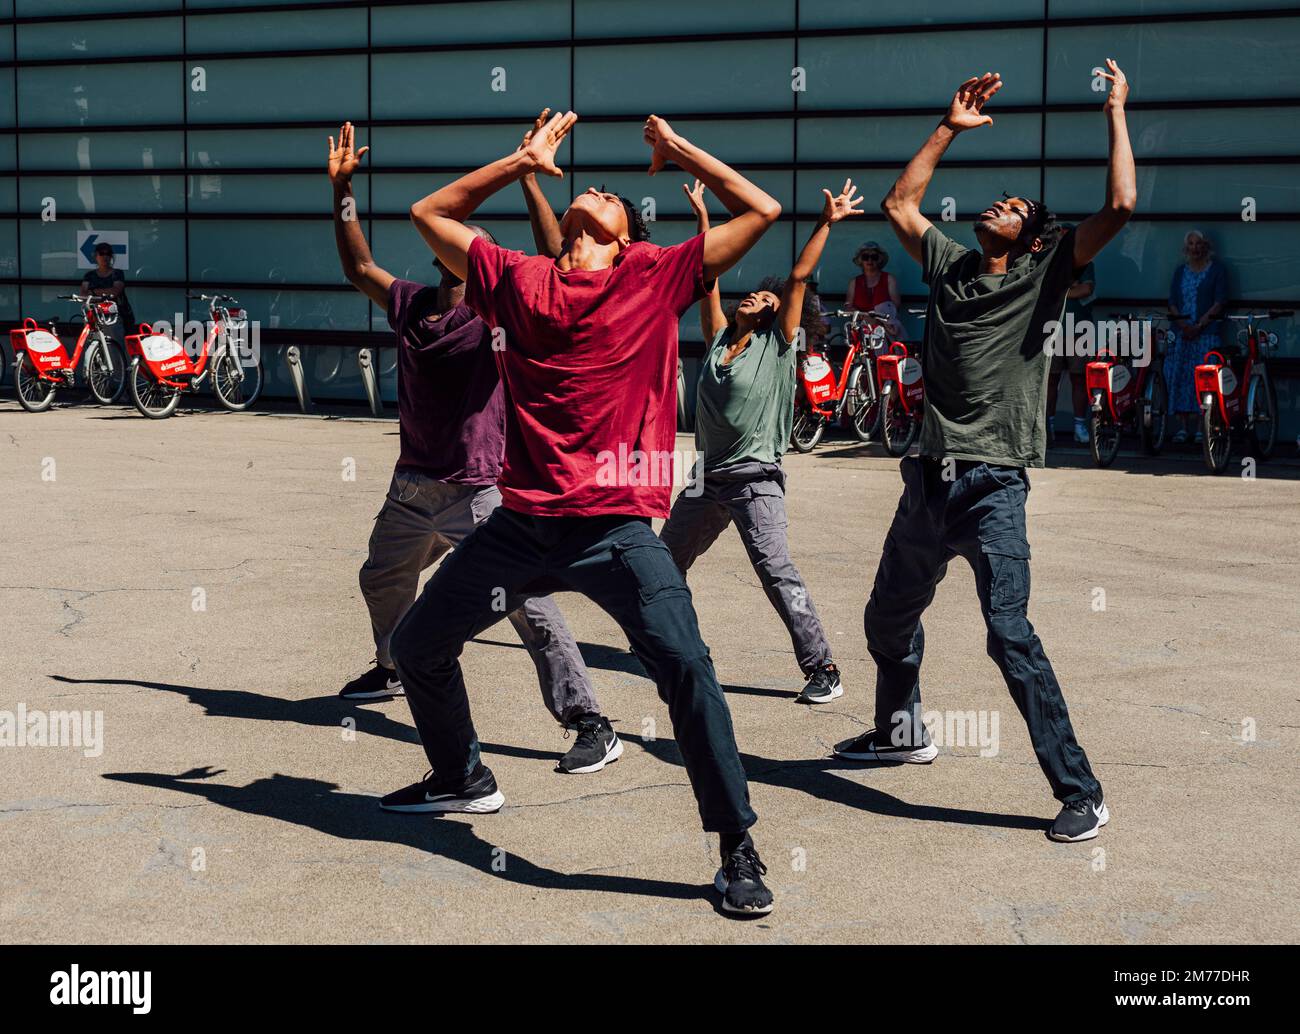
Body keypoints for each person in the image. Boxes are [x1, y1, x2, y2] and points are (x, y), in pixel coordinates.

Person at [395, 110, 781, 915]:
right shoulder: (519, 280)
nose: (596, 189)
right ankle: (461, 773)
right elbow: (430, 214)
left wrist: (679, 150)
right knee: (417, 643)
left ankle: (736, 845)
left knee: (687, 669)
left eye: (610, 195)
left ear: (627, 235)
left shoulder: (654, 276)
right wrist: (520, 160)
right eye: (588, 188)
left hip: (615, 531)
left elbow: (762, 210)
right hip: (521, 526)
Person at [838, 63, 1136, 844]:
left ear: (1034, 237)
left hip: (993, 482)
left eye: (1012, 208)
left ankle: (1082, 791)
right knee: (886, 619)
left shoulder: (1044, 275)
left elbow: (1121, 206)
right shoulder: (953, 269)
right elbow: (900, 203)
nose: (995, 207)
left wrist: (1115, 110)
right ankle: (901, 733)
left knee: (1009, 633)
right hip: (927, 482)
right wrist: (949, 126)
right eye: (996, 201)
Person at [327, 117, 621, 777]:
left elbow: (554, 264)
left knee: (527, 603)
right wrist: (343, 192)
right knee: (381, 577)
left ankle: (590, 722)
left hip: (481, 489)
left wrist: (527, 173)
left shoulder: (498, 314)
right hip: (413, 488)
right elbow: (358, 265)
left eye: (476, 241)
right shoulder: (411, 303)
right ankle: (393, 665)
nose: (470, 246)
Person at [660, 177, 855, 705]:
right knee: (661, 563)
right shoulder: (721, 334)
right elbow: (707, 275)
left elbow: (797, 278)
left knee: (775, 571)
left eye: (764, 298)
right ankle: (671, 645)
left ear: (775, 316)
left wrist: (825, 224)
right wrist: (704, 219)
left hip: (754, 478)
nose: (756, 296)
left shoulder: (778, 346)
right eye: (754, 292)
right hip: (708, 479)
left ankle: (823, 667)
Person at [1166, 230, 1228, 444]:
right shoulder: (1180, 271)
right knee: (1182, 377)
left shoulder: (1217, 270)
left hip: (1206, 334)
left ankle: (1204, 426)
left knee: (1206, 380)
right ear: (1186, 248)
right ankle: (1183, 427)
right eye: (1191, 243)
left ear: (1206, 246)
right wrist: (1183, 326)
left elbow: (1219, 301)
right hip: (1183, 334)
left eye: (1199, 243)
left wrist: (1200, 325)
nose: (1195, 247)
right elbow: (1172, 301)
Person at [1046, 250, 1097, 445]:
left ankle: (1079, 427)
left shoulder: (1086, 263)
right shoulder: (1049, 262)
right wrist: (1072, 287)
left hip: (1079, 330)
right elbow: (1044, 290)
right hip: (1051, 330)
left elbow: (1086, 290)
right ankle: (1047, 427)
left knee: (1079, 379)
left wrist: (1060, 290)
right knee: (1050, 380)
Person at [844, 239, 903, 338]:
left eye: (874, 257)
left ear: (879, 259)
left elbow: (896, 305)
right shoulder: (854, 282)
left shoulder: (889, 279)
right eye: (865, 257)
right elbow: (848, 306)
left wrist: (878, 320)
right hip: (862, 331)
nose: (869, 260)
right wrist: (864, 317)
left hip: (886, 331)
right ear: (860, 260)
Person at [80, 241, 135, 341]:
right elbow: (83, 294)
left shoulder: (117, 273)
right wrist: (103, 292)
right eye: (101, 253)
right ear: (96, 256)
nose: (105, 257)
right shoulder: (89, 275)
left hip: (114, 317)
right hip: (94, 315)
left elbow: (115, 292)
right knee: (93, 343)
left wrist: (93, 292)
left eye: (108, 253)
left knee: (114, 346)